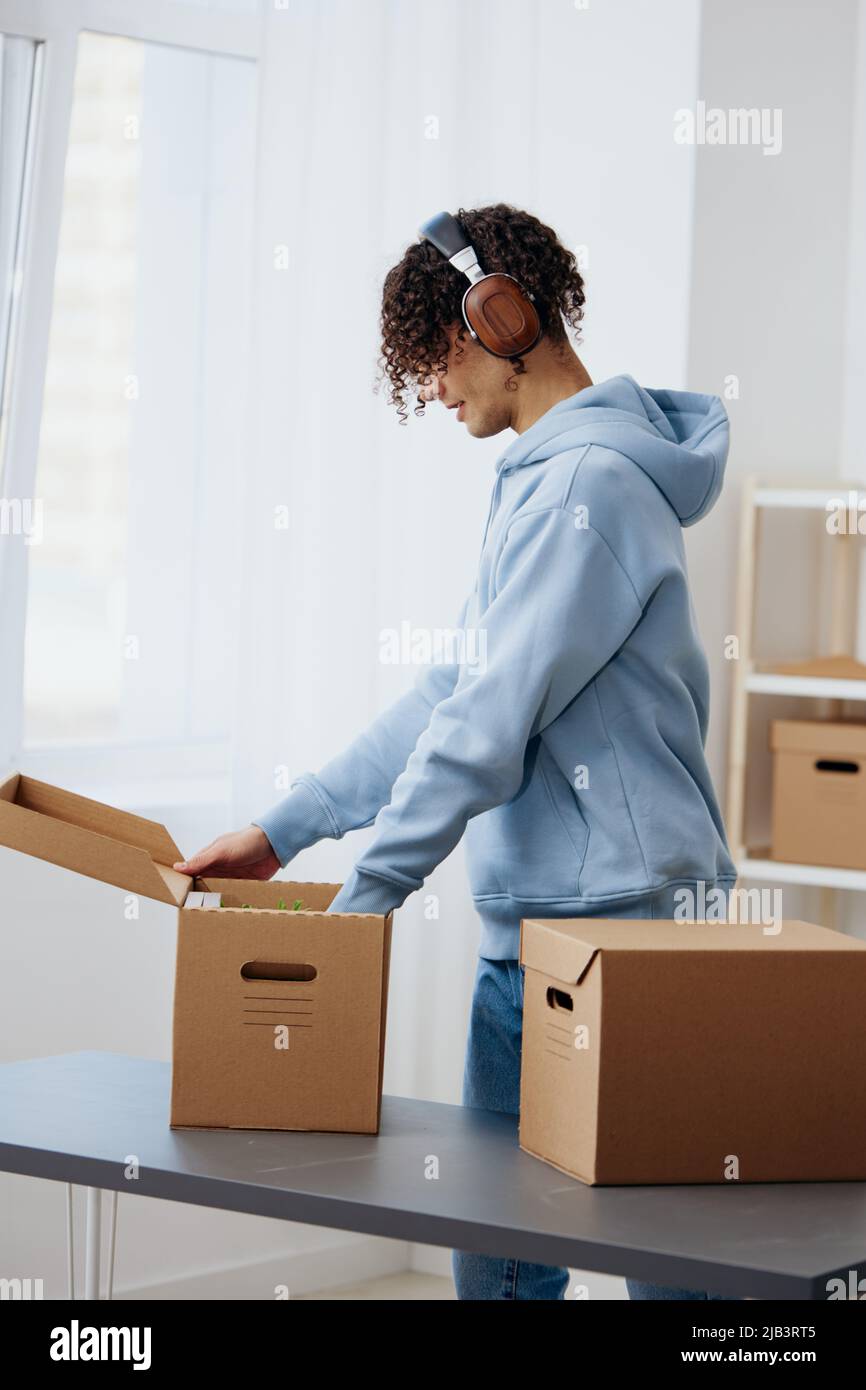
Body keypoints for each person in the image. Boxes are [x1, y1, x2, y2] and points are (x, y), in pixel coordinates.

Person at [177, 203, 740, 1301]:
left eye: (436, 357)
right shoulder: (547, 483)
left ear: (499, 317)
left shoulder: (586, 487)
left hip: (624, 941)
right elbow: (455, 693)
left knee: (670, 1283)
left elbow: (484, 732)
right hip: (536, 940)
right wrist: (285, 830)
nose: (433, 390)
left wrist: (362, 906)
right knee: (501, 1268)